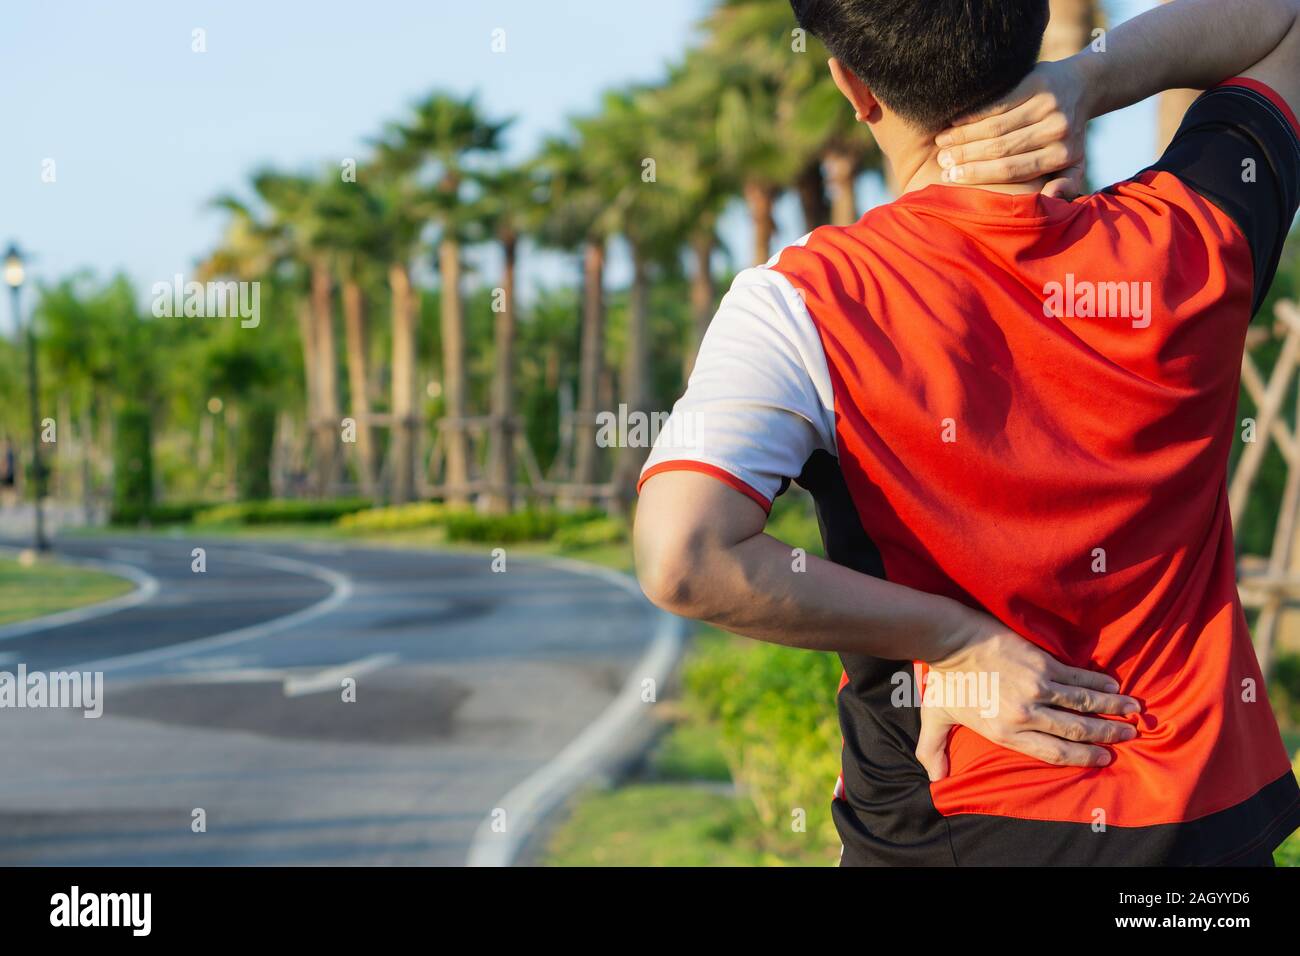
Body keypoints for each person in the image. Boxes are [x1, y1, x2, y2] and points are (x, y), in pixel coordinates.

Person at [634, 0, 1300, 865]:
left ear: (854, 86)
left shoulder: (807, 302)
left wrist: (955, 638)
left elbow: (684, 556)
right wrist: (1089, 79)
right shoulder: (1195, 238)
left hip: (949, 825)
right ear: (1031, 33)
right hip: (1204, 834)